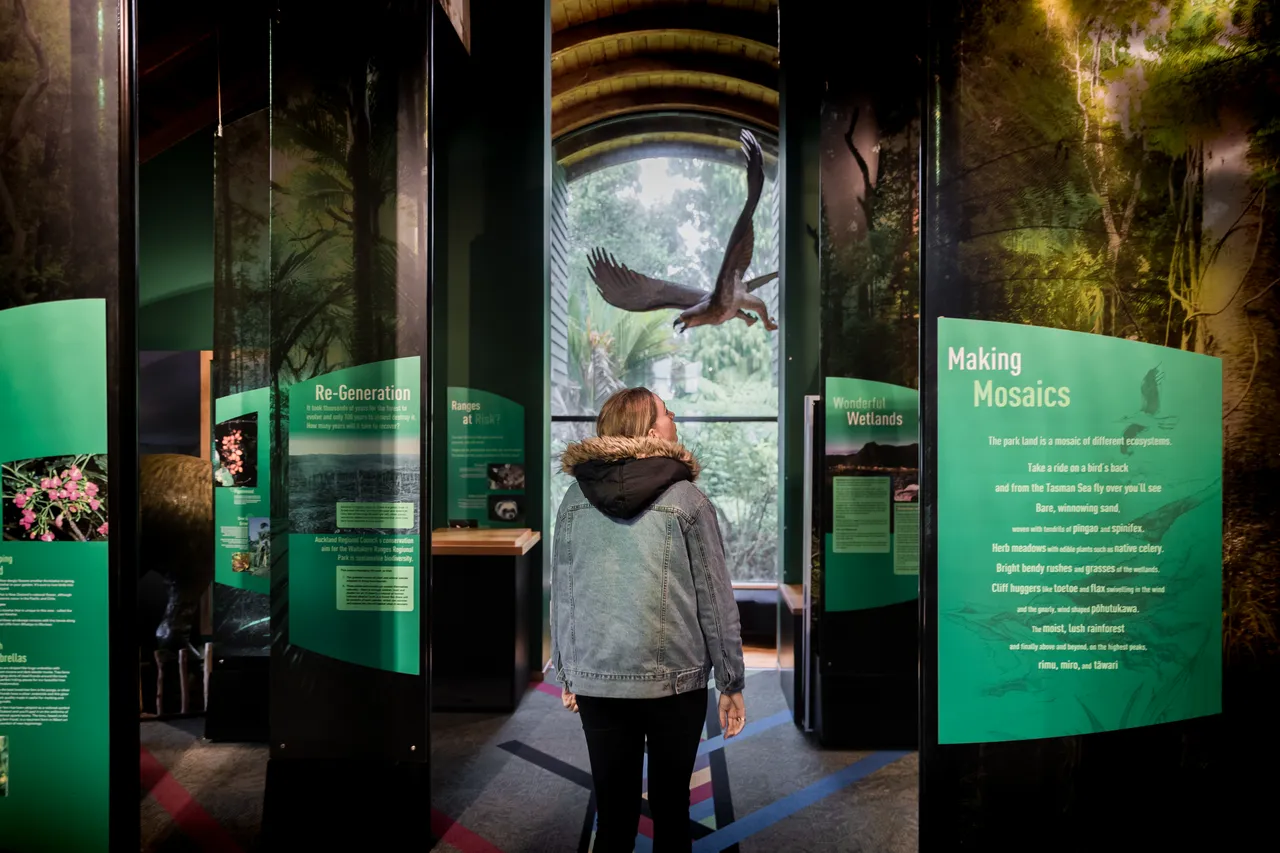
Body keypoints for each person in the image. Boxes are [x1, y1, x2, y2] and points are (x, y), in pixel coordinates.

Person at [551, 387, 746, 852]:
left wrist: (569, 668)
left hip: (597, 679)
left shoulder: (573, 501)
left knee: (613, 814)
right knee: (672, 811)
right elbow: (715, 601)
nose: (674, 416)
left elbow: (564, 592)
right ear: (649, 428)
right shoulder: (688, 500)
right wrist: (731, 681)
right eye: (666, 411)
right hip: (674, 685)